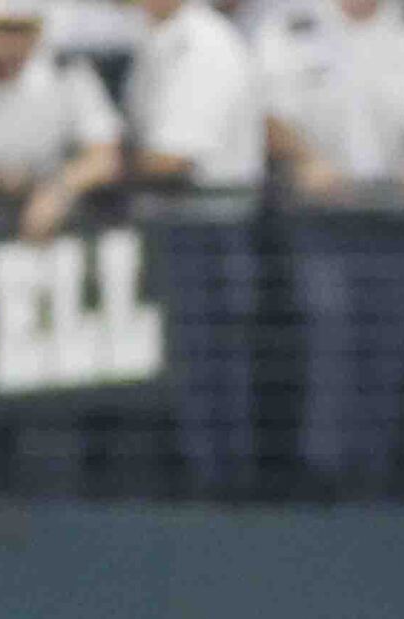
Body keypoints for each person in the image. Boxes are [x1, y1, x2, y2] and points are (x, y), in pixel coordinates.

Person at [263, 0, 404, 494]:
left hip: (398, 221)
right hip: (323, 220)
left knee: (389, 355)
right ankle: (325, 481)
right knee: (332, 346)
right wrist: (305, 159)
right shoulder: (292, 24)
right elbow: (268, 114)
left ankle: (376, 482)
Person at [0, 0, 123, 491]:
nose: (9, 41)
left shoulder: (68, 75)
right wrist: (3, 184)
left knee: (54, 394)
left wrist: (56, 190)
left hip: (50, 257)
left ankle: (60, 511)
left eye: (20, 29)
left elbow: (104, 157)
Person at [122, 0, 267, 494]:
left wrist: (89, 176)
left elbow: (173, 161)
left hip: (208, 232)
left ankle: (224, 498)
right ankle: (209, 486)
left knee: (211, 372)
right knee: (190, 370)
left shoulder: (204, 44)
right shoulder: (157, 37)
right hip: (181, 227)